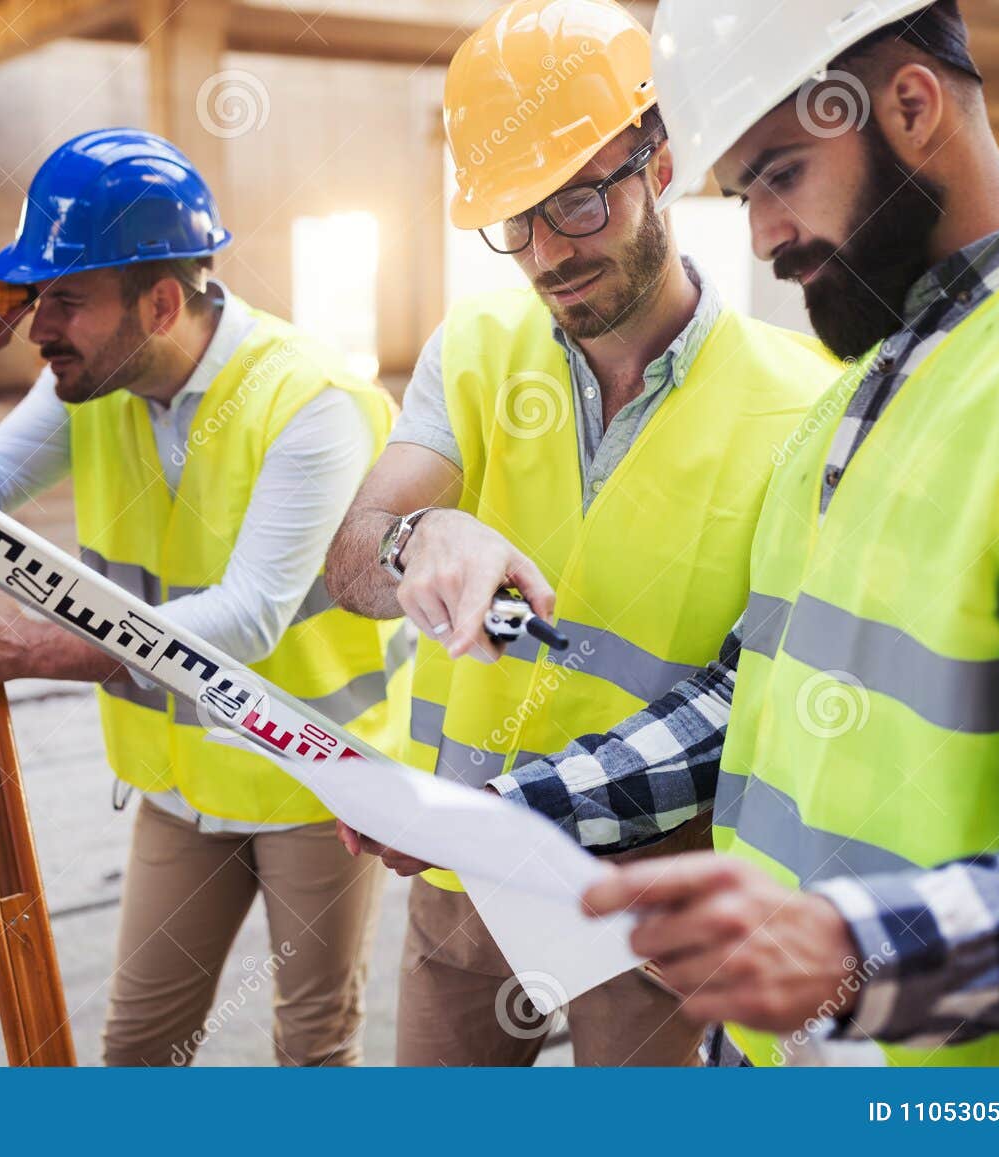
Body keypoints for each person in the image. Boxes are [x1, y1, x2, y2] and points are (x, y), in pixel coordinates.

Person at [495, 0, 999, 1065]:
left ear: (910, 106)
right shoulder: (855, 392)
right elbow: (750, 692)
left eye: (778, 175)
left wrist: (855, 950)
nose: (764, 238)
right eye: (744, 193)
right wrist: (506, 812)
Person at [323, 0, 840, 1066]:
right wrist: (418, 537)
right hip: (462, 874)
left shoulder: (804, 406)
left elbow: (756, 696)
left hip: (651, 889)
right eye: (514, 220)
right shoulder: (473, 348)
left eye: (579, 201)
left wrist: (504, 814)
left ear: (659, 163)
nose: (549, 252)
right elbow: (350, 557)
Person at [0, 129, 411, 1066]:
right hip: (183, 783)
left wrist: (42, 646)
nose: (39, 327)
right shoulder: (90, 386)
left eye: (66, 300)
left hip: (316, 781)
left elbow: (252, 615)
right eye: (35, 298)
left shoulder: (312, 402)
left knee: (313, 1049)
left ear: (163, 300)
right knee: (139, 1049)